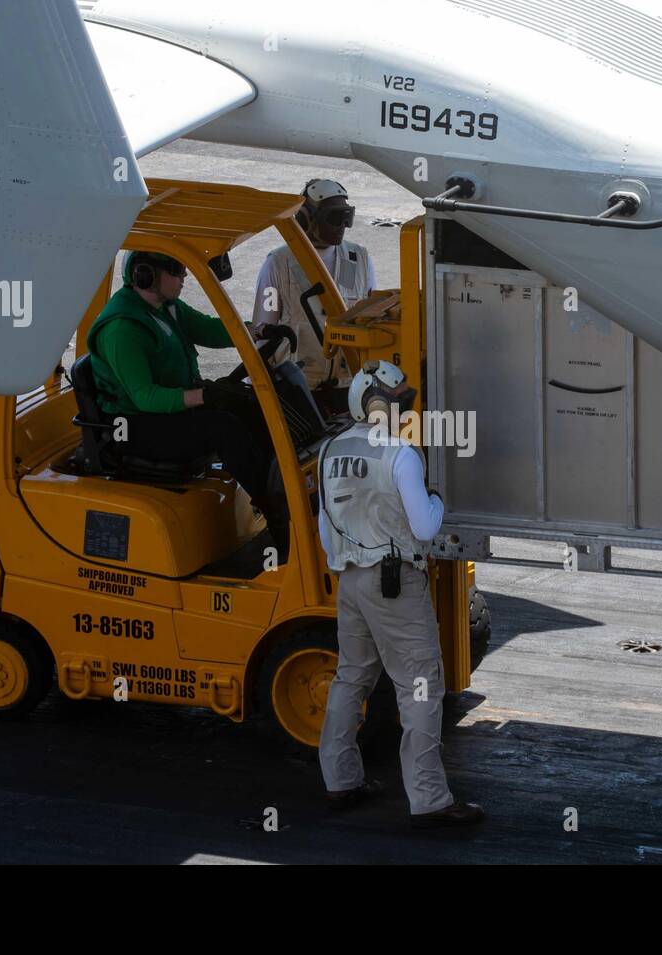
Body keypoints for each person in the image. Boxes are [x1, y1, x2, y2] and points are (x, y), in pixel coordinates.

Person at [316, 360, 484, 829]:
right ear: (382, 404)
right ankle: (429, 798)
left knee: (351, 677)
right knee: (420, 685)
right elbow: (426, 527)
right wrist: (438, 497)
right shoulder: (401, 455)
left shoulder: (330, 450)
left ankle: (340, 780)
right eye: (400, 402)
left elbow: (326, 534)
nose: (404, 409)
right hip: (395, 585)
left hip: (350, 579)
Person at [86, 251, 288, 555]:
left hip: (164, 414)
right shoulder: (122, 329)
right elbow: (146, 397)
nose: (184, 277)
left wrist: (255, 330)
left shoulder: (164, 307)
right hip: (134, 427)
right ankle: (280, 520)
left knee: (248, 403)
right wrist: (205, 396)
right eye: (177, 270)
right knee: (223, 428)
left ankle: (285, 492)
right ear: (146, 275)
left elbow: (208, 328)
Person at [252, 178, 376, 392]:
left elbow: (371, 316)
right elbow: (264, 330)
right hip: (297, 387)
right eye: (335, 218)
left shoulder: (358, 260)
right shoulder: (279, 263)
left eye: (348, 217)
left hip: (347, 385)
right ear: (306, 219)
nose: (343, 226)